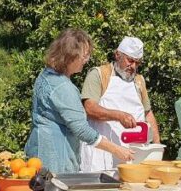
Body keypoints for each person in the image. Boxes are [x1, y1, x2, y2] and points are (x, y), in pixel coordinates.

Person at [24, 28, 133, 174]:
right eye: (84, 56)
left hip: (38, 152)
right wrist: (116, 149)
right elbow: (81, 129)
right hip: (56, 161)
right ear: (70, 56)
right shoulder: (63, 87)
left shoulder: (45, 75)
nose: (87, 60)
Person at [79, 36, 161, 172]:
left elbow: (148, 114)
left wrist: (157, 147)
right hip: (102, 154)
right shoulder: (99, 74)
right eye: (130, 60)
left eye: (137, 63)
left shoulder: (139, 81)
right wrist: (118, 116)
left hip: (134, 154)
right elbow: (90, 108)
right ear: (117, 55)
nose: (133, 66)